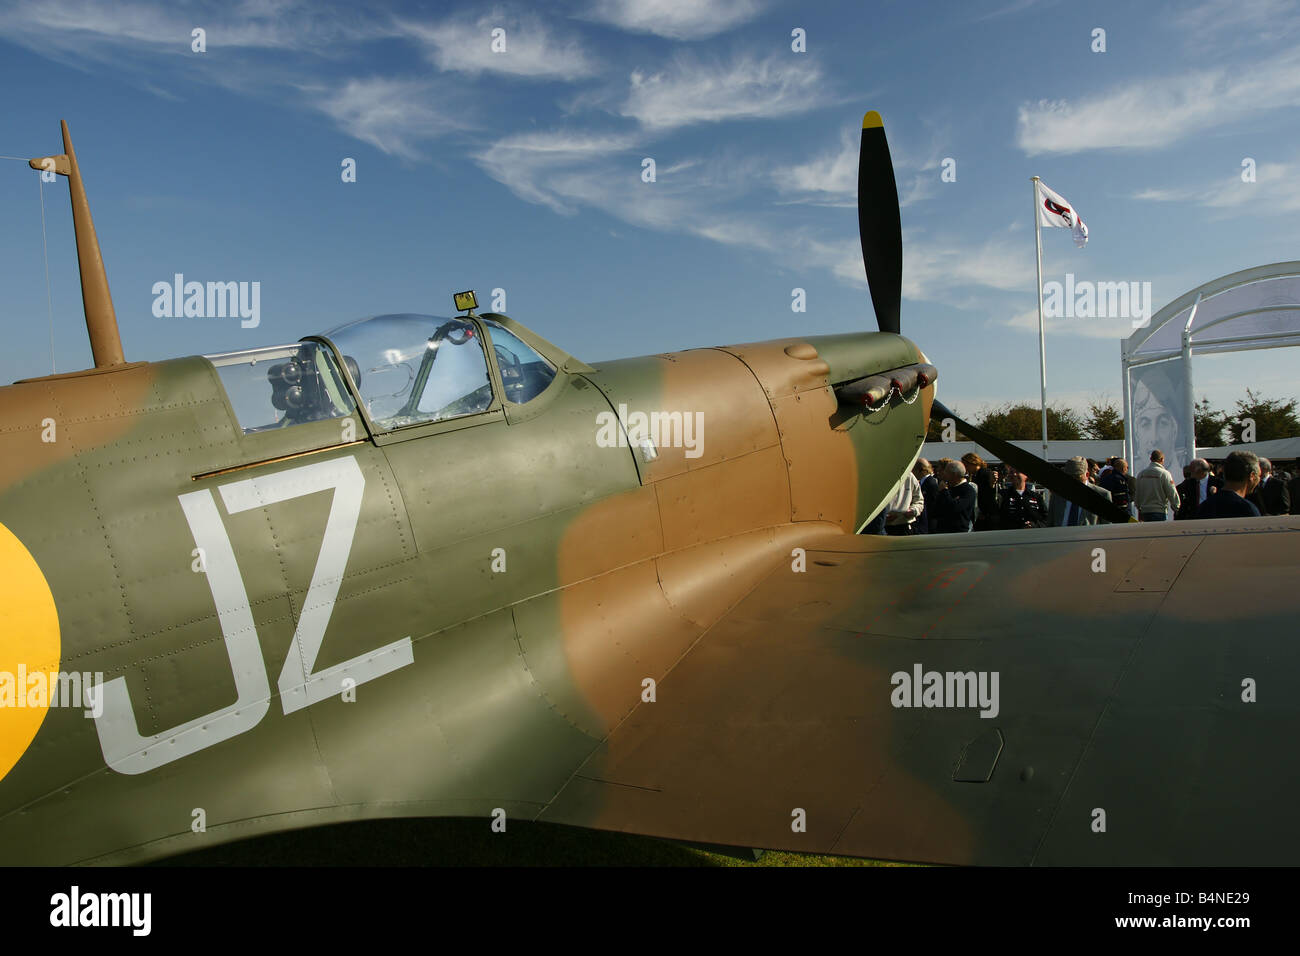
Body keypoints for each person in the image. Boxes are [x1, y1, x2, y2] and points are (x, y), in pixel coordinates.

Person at [1196, 450, 1262, 519]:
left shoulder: (1204, 507)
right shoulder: (1248, 510)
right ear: (1252, 476)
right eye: (1259, 476)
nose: (1259, 480)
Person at [1049, 456, 1112, 526]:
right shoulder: (1057, 494)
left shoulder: (1102, 495)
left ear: (1087, 475)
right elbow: (1050, 523)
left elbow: (1107, 527)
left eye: (1077, 478)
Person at [933, 460, 978, 533]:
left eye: (946, 472)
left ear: (954, 474)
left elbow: (954, 508)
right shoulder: (947, 487)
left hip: (958, 533)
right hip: (941, 531)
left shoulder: (968, 490)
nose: (944, 474)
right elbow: (936, 509)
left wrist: (944, 491)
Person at [1134, 449, 1180, 521]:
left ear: (1150, 459)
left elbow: (1137, 492)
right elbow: (1171, 492)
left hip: (1144, 512)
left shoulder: (1141, 474)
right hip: (1160, 511)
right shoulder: (1164, 474)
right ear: (1162, 459)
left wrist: (1138, 506)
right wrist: (1176, 507)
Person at [963, 452, 1000, 532]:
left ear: (973, 463)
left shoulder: (983, 474)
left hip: (986, 514)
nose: (966, 469)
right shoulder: (976, 475)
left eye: (966, 465)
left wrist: (983, 511)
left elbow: (986, 494)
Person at [883, 469, 925, 535]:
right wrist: (883, 517)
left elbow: (919, 500)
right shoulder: (879, 475)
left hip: (905, 525)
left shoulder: (909, 476)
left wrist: (913, 510)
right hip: (882, 526)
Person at [913, 458, 938, 533]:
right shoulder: (922, 482)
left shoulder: (931, 483)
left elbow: (932, 505)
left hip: (928, 523)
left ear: (919, 470)